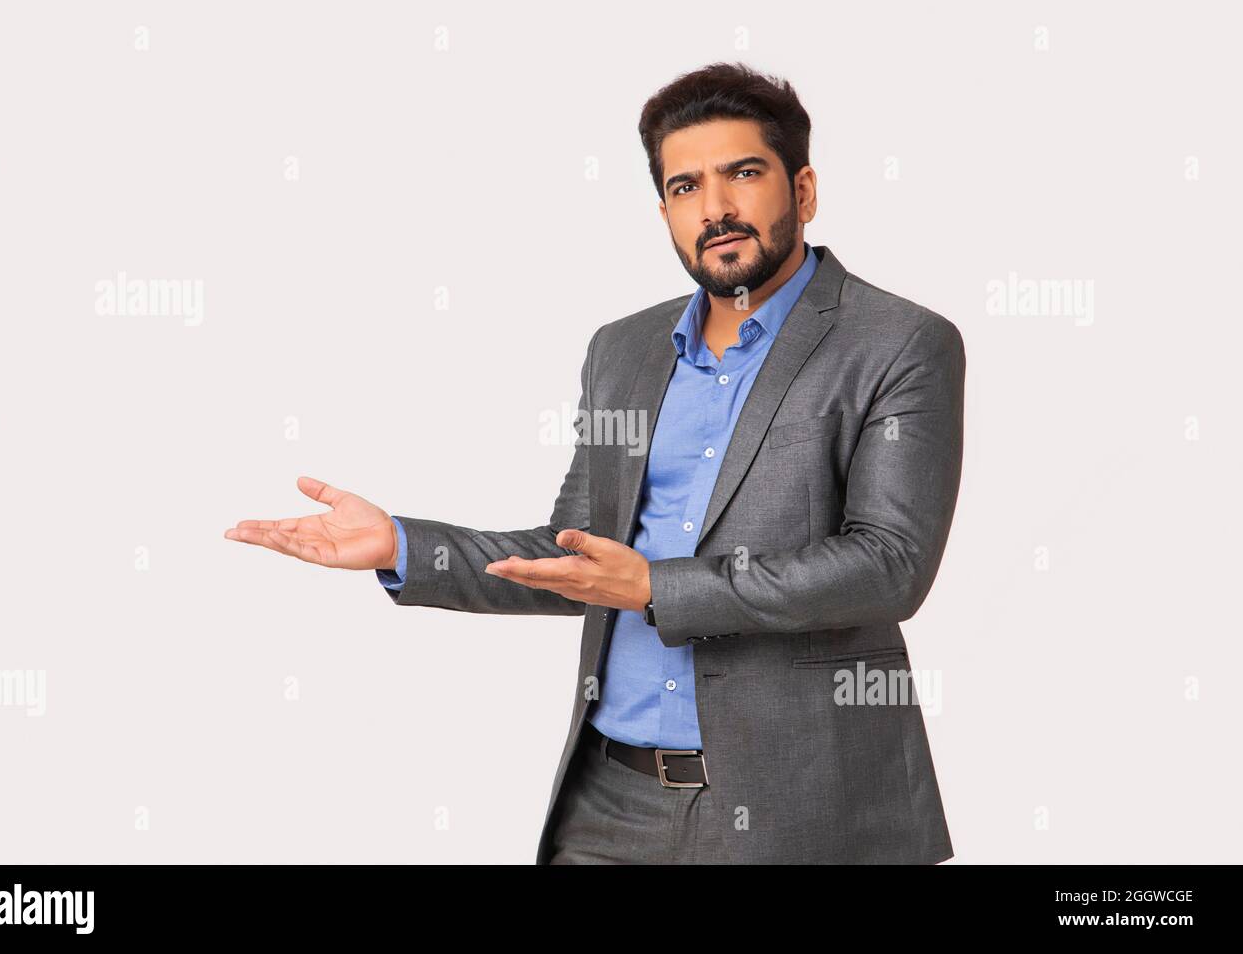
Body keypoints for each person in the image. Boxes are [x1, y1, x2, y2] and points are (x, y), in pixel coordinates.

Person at [225, 61, 964, 864]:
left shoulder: (898, 342)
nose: (715, 209)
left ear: (805, 189)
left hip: (800, 808)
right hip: (609, 806)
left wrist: (656, 588)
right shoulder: (624, 351)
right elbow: (575, 554)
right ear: (664, 211)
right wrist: (405, 544)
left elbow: (889, 565)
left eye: (743, 174)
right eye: (685, 188)